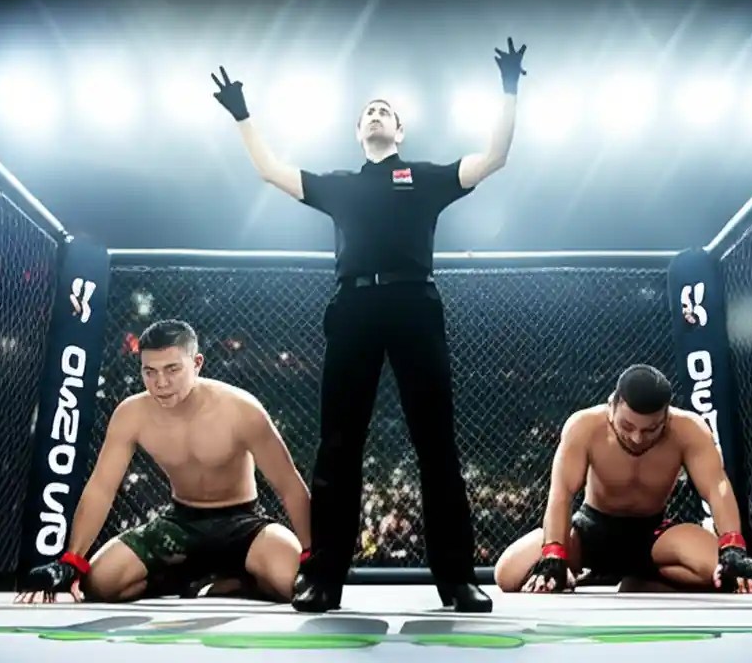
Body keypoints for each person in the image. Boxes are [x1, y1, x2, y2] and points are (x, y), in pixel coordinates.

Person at [208, 37, 528, 613]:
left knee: (437, 444)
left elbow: (493, 157)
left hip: (414, 305)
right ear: (360, 134)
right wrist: (242, 114)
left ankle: (456, 578)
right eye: (367, 113)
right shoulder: (341, 184)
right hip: (354, 308)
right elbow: (271, 171)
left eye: (385, 111)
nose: (376, 115)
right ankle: (325, 577)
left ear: (399, 133)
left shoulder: (424, 177)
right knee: (338, 444)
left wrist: (509, 89)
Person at [15, 319, 312, 604]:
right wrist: (73, 558)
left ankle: (240, 580)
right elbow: (102, 487)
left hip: (244, 524)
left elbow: (290, 486)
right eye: (150, 371)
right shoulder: (132, 414)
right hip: (181, 525)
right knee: (100, 584)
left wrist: (313, 554)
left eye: (172, 369)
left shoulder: (241, 409)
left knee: (294, 582)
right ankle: (182, 580)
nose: (161, 382)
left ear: (196, 364)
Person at [492, 364, 752, 595]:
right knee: (508, 574)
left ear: (666, 416)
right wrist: (554, 552)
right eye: (627, 426)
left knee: (722, 572)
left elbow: (716, 486)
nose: (637, 437)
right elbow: (562, 492)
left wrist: (733, 546)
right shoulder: (585, 426)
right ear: (612, 405)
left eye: (651, 430)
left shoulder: (688, 429)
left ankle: (643, 579)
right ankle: (570, 569)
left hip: (653, 536)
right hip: (591, 530)